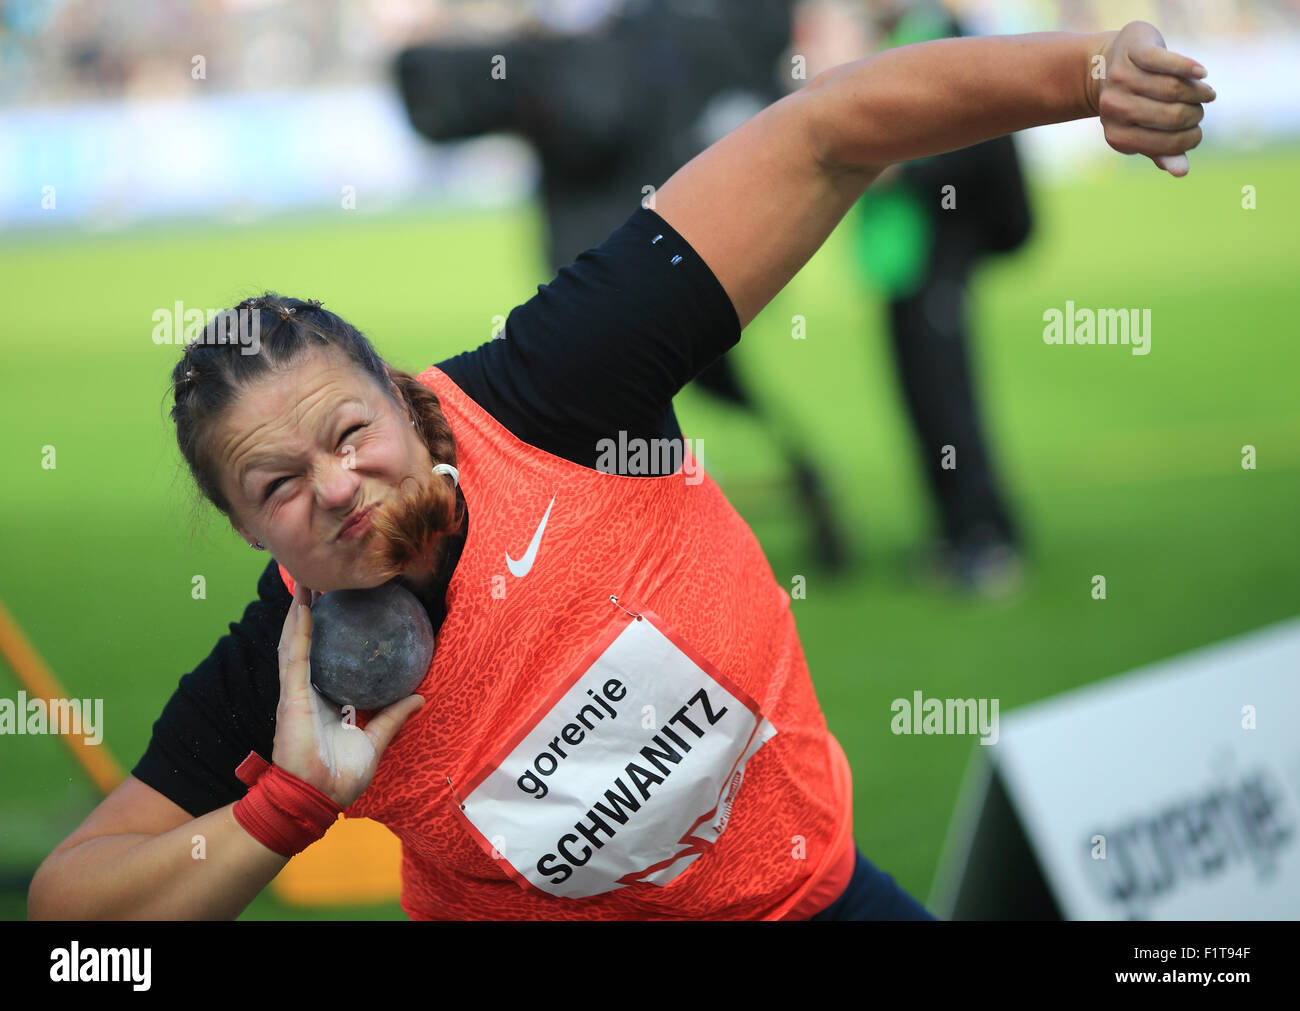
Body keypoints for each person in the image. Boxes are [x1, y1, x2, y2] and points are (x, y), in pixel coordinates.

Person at [28, 21, 1212, 920]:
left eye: (348, 433)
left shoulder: (561, 385)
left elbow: (826, 132)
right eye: (277, 487)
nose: (334, 487)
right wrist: (286, 808)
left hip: (815, 900)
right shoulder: (284, 674)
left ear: (400, 394)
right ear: (248, 534)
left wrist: (1086, 74)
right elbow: (71, 914)